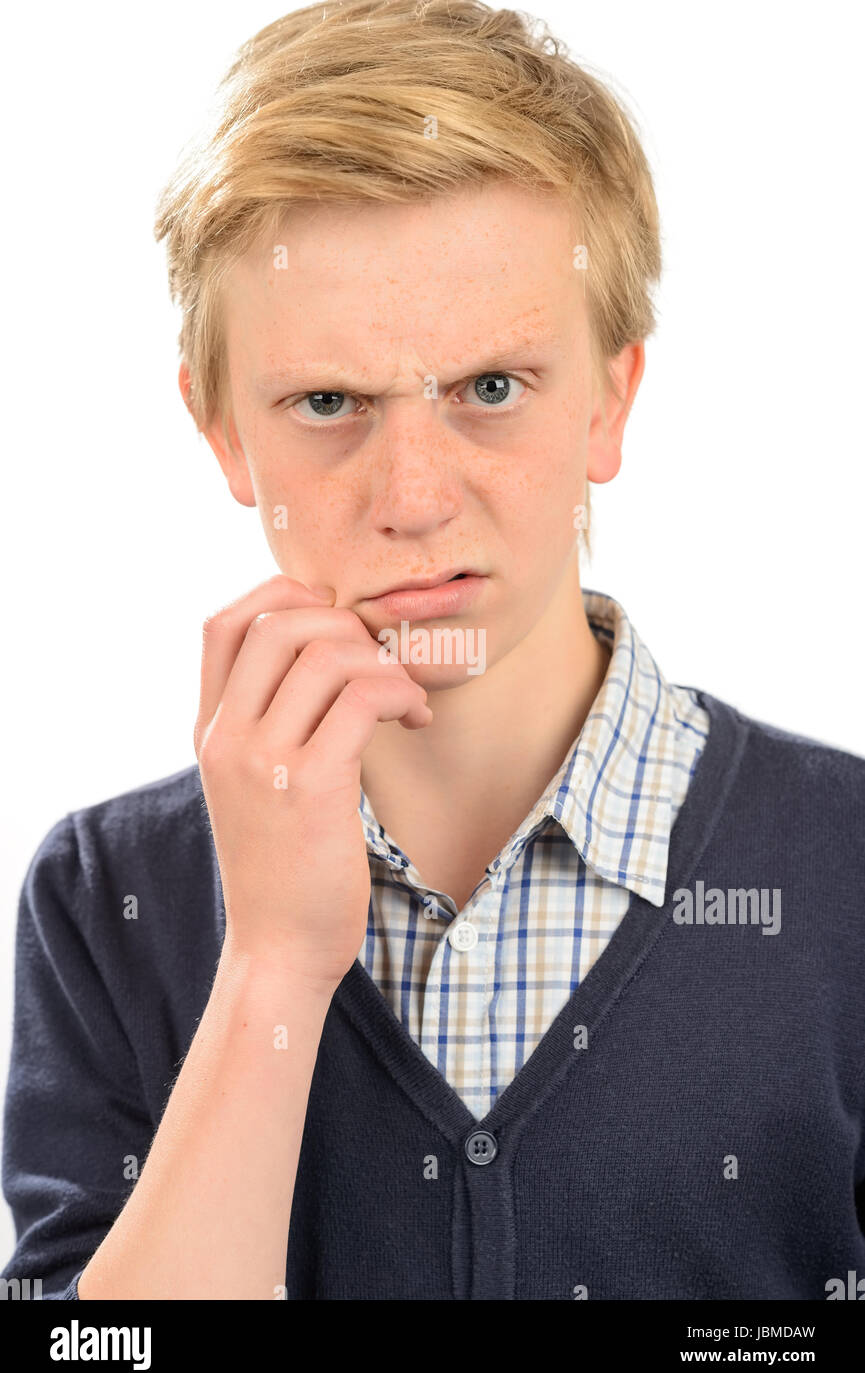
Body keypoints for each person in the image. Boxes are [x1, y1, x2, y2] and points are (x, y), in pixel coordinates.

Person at [2, 0, 863, 1301]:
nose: (411, 496)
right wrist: (273, 963)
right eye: (328, 403)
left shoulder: (842, 867)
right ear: (223, 431)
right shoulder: (103, 896)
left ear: (608, 403)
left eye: (492, 389)